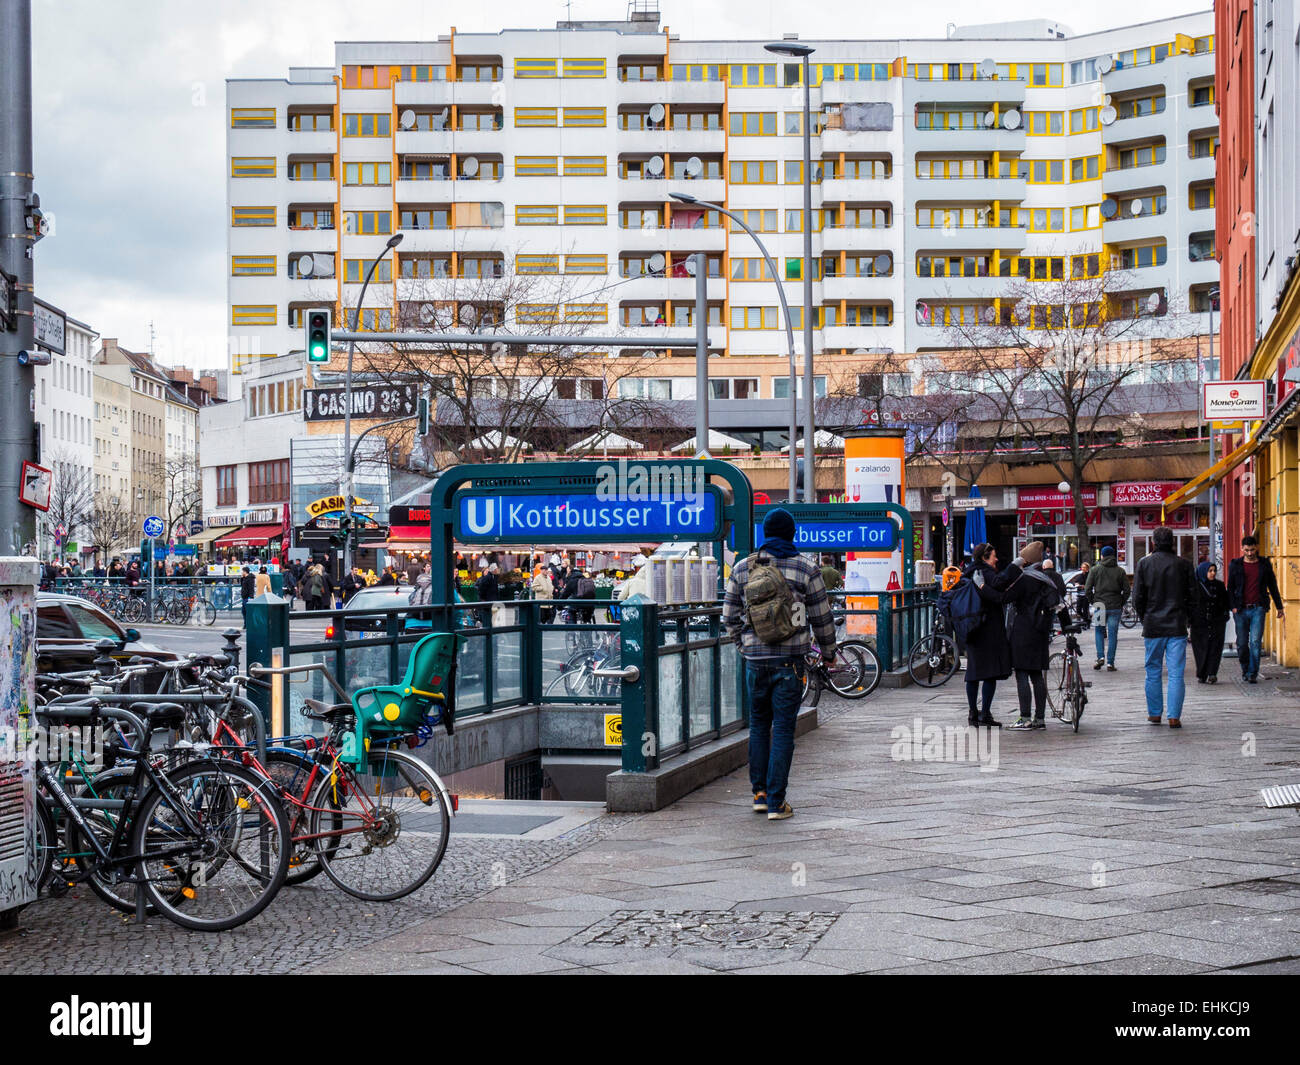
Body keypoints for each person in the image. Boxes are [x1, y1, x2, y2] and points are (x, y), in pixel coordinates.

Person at [724, 508, 837, 821]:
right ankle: (777, 802)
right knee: (784, 729)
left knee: (759, 725)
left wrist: (743, 646)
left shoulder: (744, 567)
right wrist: (828, 651)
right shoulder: (806, 568)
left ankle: (759, 794)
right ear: (791, 534)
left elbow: (729, 616)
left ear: (765, 534)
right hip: (790, 662)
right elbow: (821, 616)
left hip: (755, 662)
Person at [989, 541, 1069, 731]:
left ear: (1025, 561)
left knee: (1022, 674)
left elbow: (1003, 597)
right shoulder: (1046, 579)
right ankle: (1039, 719)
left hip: (1023, 631)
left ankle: (1025, 717)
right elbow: (1059, 605)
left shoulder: (1023, 579)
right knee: (1037, 675)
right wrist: (1068, 628)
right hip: (1041, 632)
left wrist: (984, 587)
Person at [1132, 526, 1196, 727]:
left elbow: (1137, 598)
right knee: (1176, 672)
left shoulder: (1144, 564)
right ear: (1173, 542)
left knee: (1153, 670)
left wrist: (1145, 617)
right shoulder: (1184, 565)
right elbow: (1193, 597)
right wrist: (1188, 620)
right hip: (1176, 625)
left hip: (1153, 626)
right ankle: (1174, 716)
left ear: (1153, 542)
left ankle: (1154, 713)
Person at [961, 543, 1011, 727]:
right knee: (989, 673)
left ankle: (973, 713)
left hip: (970, 628)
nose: (996, 559)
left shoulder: (967, 572)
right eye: (993, 556)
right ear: (985, 557)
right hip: (988, 629)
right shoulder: (987, 574)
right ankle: (985, 713)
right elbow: (999, 597)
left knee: (973, 672)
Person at [1226, 534, 1284, 683]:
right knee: (1242, 643)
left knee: (1255, 642)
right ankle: (1245, 669)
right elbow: (1230, 587)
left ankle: (1252, 673)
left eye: (1252, 550)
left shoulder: (1264, 564)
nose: (1250, 553)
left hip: (1258, 608)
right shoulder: (1235, 565)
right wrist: (1232, 606)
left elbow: (1273, 585)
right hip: (1240, 609)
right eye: (1247, 550)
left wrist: (1279, 607)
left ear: (1256, 548)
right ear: (1242, 549)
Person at [1084, 545, 1129, 671]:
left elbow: (1087, 589)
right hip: (1115, 605)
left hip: (1099, 604)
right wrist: (1121, 602)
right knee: (1113, 634)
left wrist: (1094, 600)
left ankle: (1100, 657)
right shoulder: (1120, 571)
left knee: (1099, 631)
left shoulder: (1095, 570)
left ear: (1102, 556)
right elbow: (1127, 590)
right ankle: (1110, 662)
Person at [1190, 561, 1230, 685]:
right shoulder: (1195, 586)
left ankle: (1212, 673)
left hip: (1217, 621)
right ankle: (1202, 673)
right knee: (1201, 648)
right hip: (1199, 623)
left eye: (1214, 571)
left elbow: (1225, 602)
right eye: (1210, 571)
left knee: (1215, 647)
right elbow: (1190, 604)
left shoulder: (1219, 585)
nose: (1212, 573)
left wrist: (1224, 615)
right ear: (1203, 572)